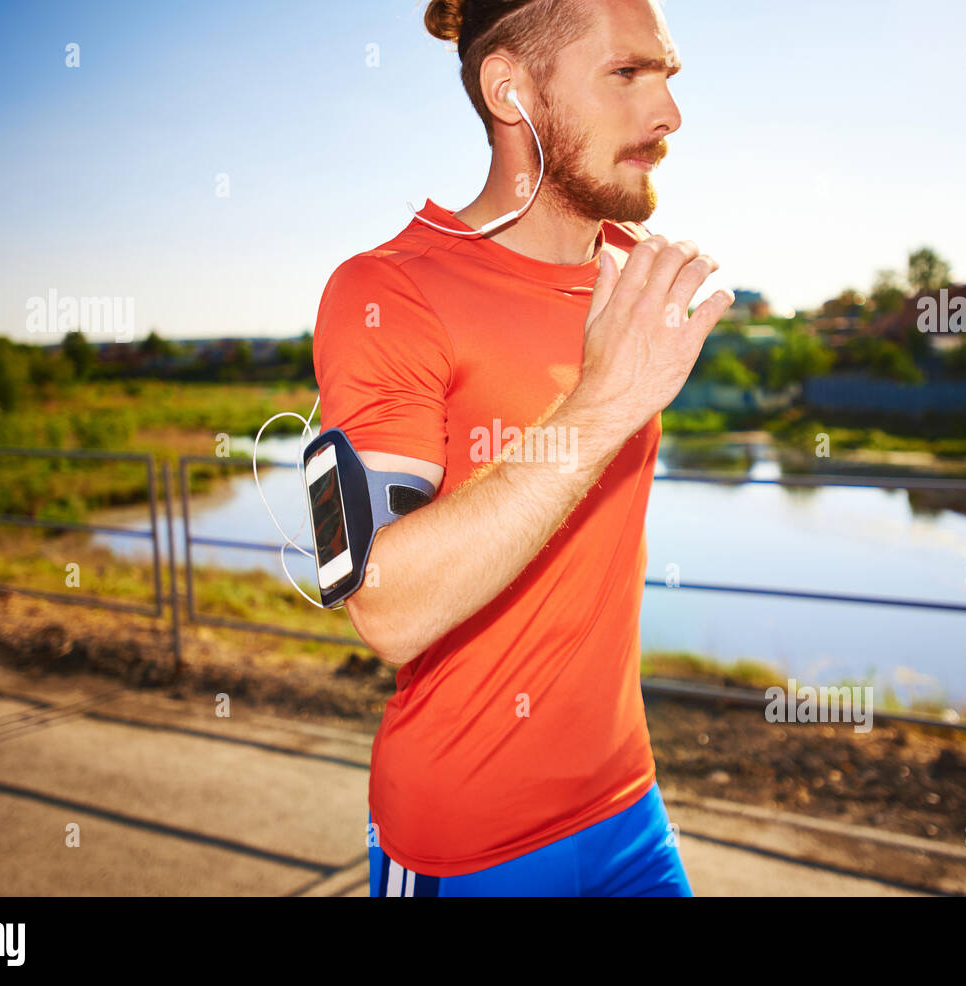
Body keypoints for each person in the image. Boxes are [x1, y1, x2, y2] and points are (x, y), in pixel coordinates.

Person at [311, 0, 733, 896]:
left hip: (630, 812)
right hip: (468, 847)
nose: (668, 116)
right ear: (510, 90)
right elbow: (382, 607)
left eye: (667, 75)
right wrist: (603, 400)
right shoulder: (387, 293)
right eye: (626, 74)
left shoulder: (632, 272)